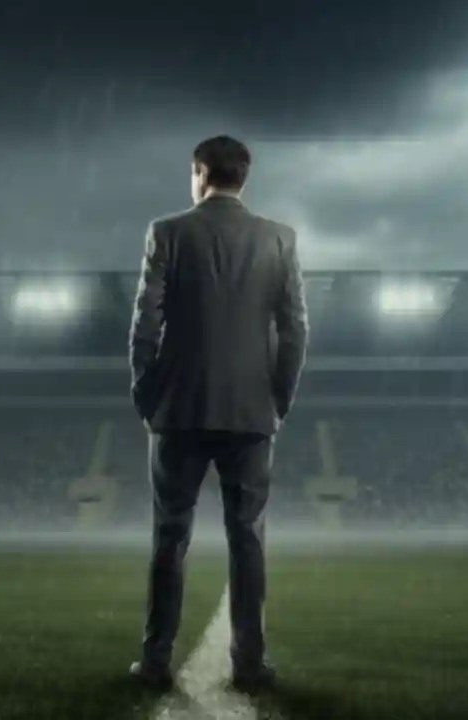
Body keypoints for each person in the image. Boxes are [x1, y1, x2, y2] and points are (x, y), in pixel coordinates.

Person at [127, 135, 309, 692]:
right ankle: (249, 664)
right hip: (251, 412)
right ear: (243, 177)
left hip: (179, 410)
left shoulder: (167, 233)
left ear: (200, 172)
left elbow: (144, 324)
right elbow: (296, 329)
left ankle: (157, 660)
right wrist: (278, 398)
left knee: (169, 538)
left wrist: (146, 395)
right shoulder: (280, 238)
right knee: (248, 539)